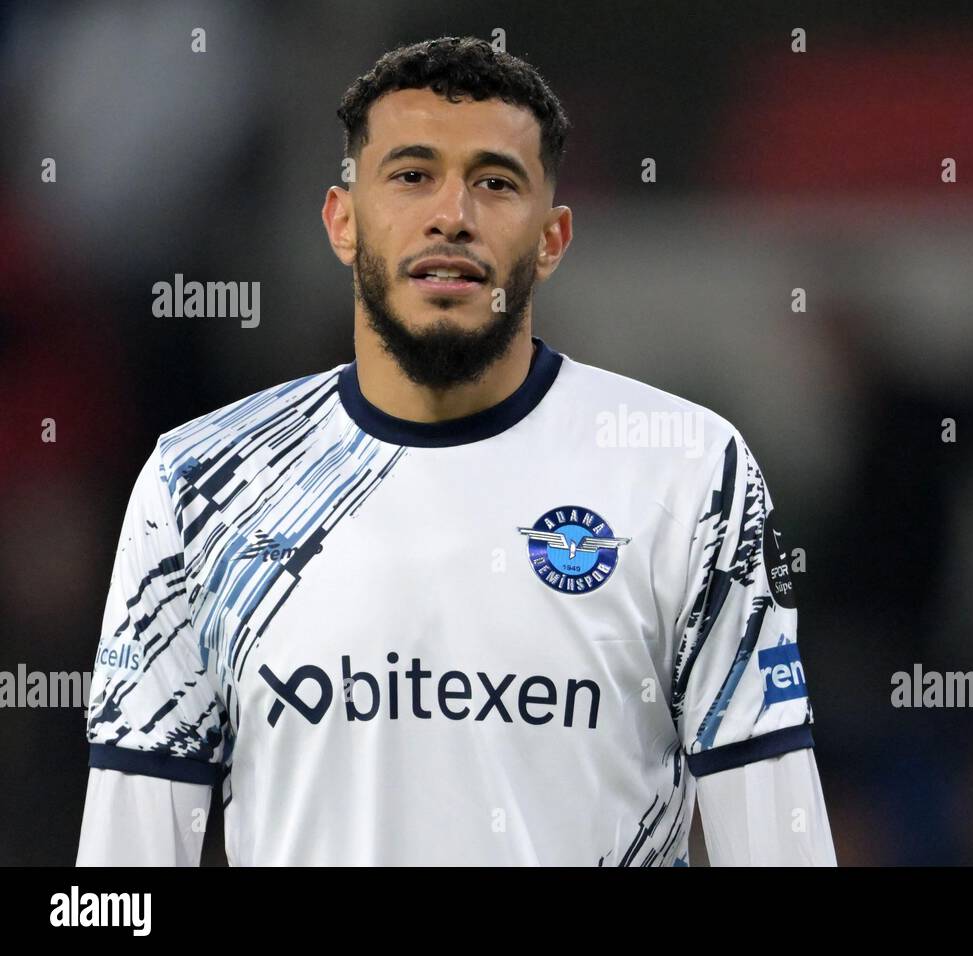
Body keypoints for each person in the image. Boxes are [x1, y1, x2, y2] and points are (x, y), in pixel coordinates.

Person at [76, 36, 835, 866]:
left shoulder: (687, 472)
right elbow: (126, 869)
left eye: (495, 182)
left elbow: (777, 840)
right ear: (342, 221)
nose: (452, 214)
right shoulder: (200, 483)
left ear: (551, 238)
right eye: (410, 175)